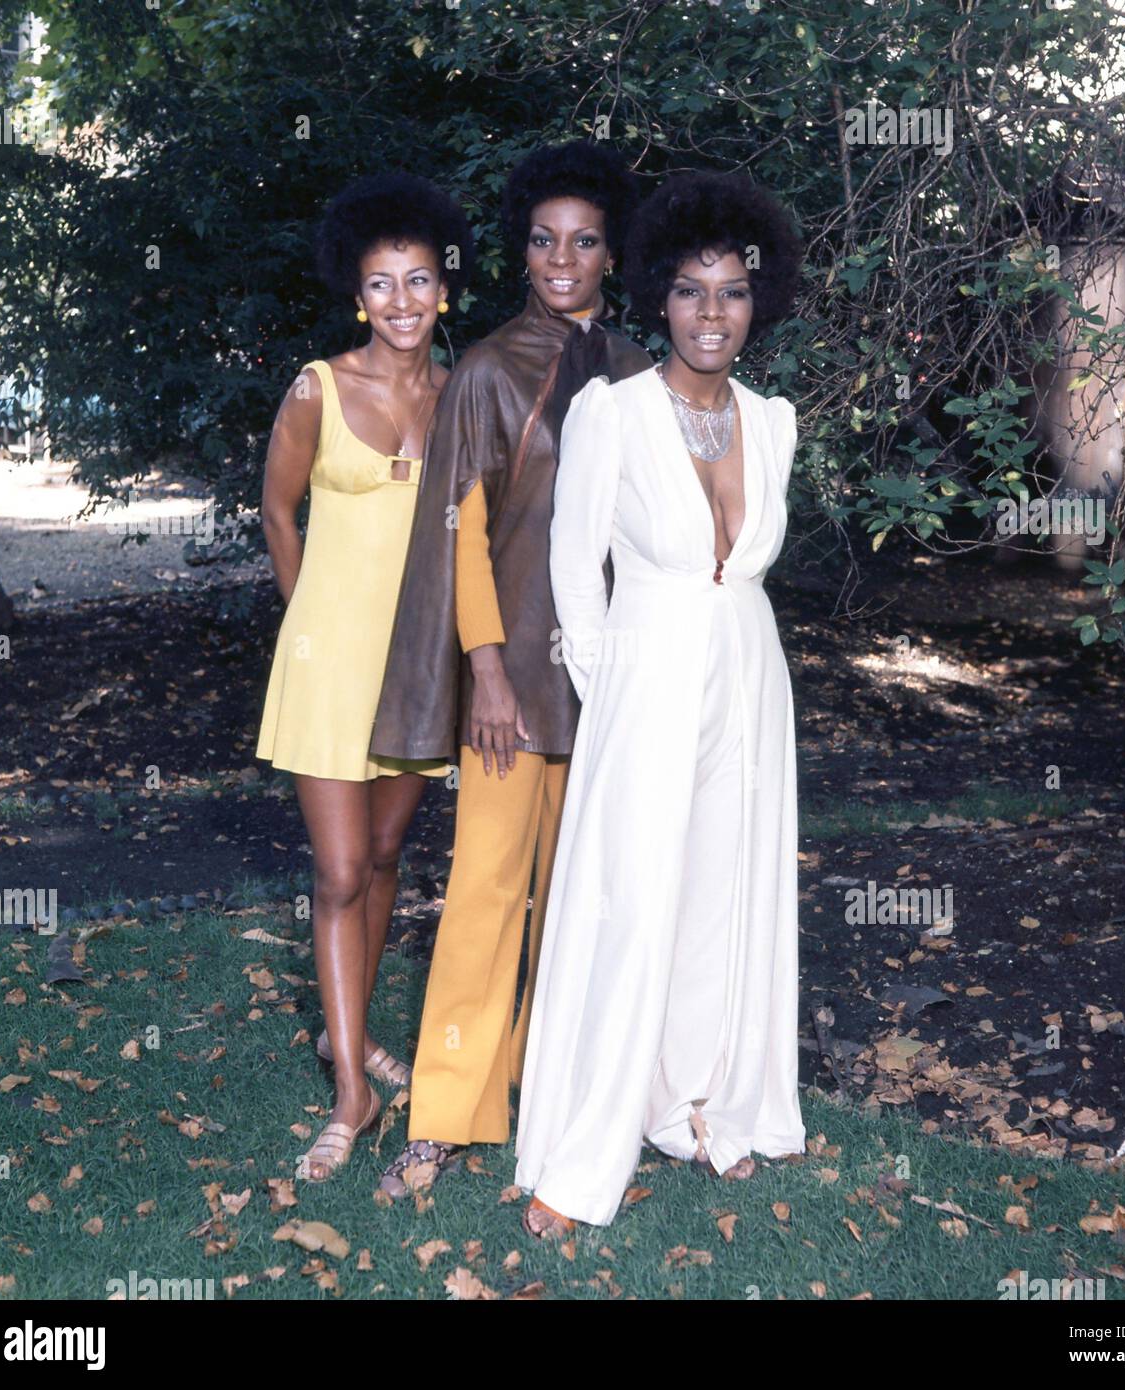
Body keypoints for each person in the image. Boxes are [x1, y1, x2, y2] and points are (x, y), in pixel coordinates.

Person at [514, 170, 807, 1235]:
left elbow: (743, 572)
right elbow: (566, 563)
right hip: (644, 677)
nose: (712, 314)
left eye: (731, 292)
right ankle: (580, 1150)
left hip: (747, 675)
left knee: (720, 899)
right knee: (630, 909)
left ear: (754, 302)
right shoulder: (612, 412)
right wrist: (615, 688)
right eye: (690, 291)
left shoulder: (773, 423)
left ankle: (694, 1106)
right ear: (657, 297)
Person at [371, 140, 652, 1197]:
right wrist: (485, 673)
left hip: (617, 681)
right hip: (515, 684)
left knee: (587, 901)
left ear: (612, 253)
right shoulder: (488, 369)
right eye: (542, 241)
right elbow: (461, 530)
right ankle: (444, 1111)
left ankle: (564, 1101)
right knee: (485, 895)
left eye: (582, 242)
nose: (561, 260)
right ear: (520, 250)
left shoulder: (642, 371)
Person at [255, 173, 473, 1180]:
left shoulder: (463, 392)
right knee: (340, 870)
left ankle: (349, 1030)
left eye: (417, 280)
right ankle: (351, 1088)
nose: (399, 301)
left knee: (385, 858)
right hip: (330, 663)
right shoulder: (317, 386)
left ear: (442, 289)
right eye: (380, 283)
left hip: (423, 667)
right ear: (357, 294)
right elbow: (278, 508)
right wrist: (305, 619)